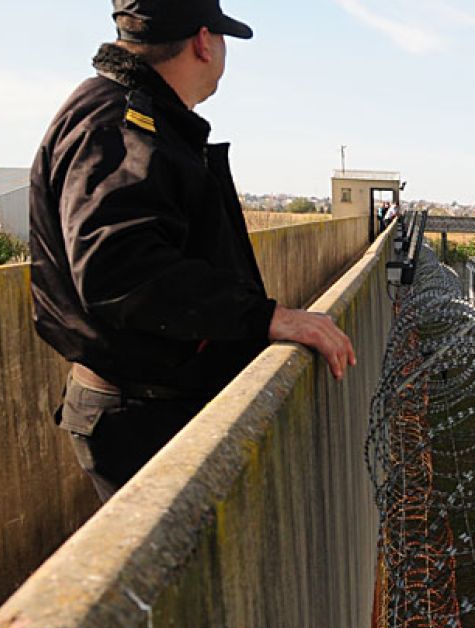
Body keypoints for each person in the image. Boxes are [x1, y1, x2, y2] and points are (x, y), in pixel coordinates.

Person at [28, 1, 355, 502]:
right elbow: (119, 271)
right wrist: (262, 317)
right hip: (142, 414)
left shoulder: (133, 114)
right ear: (204, 41)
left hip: (150, 403)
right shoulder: (120, 124)